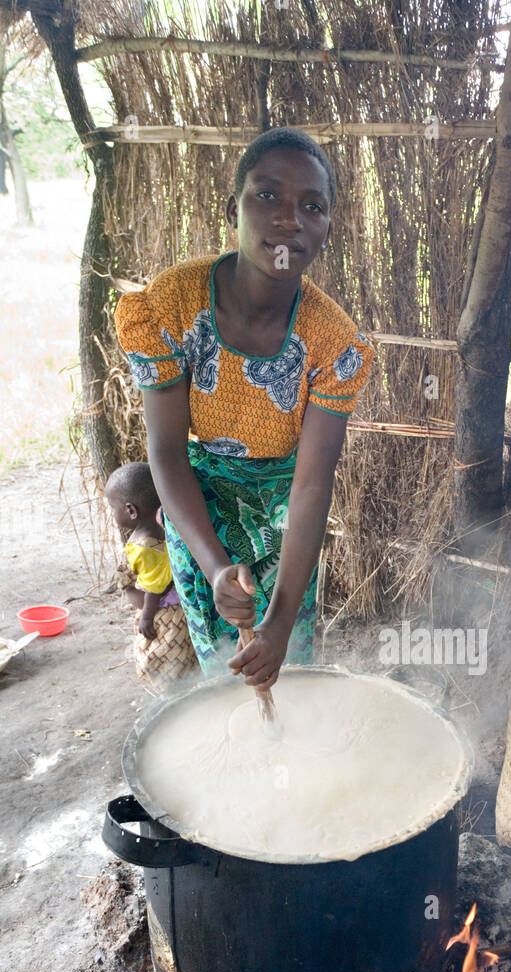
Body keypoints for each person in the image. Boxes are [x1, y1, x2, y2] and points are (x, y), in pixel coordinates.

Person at [113, 127, 376, 689]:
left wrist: (279, 622)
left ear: (327, 229)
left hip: (287, 523)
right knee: (222, 679)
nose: (289, 219)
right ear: (231, 209)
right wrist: (213, 568)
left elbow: (311, 484)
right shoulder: (171, 307)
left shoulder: (335, 342)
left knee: (285, 670)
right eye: (267, 194)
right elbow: (166, 453)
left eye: (312, 206)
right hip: (198, 508)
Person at [106, 461, 198, 690]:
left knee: (161, 658)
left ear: (131, 510)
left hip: (163, 614)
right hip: (163, 608)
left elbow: (155, 587)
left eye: (113, 507)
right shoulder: (158, 530)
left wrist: (147, 617)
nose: (112, 513)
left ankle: (174, 695)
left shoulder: (146, 547)